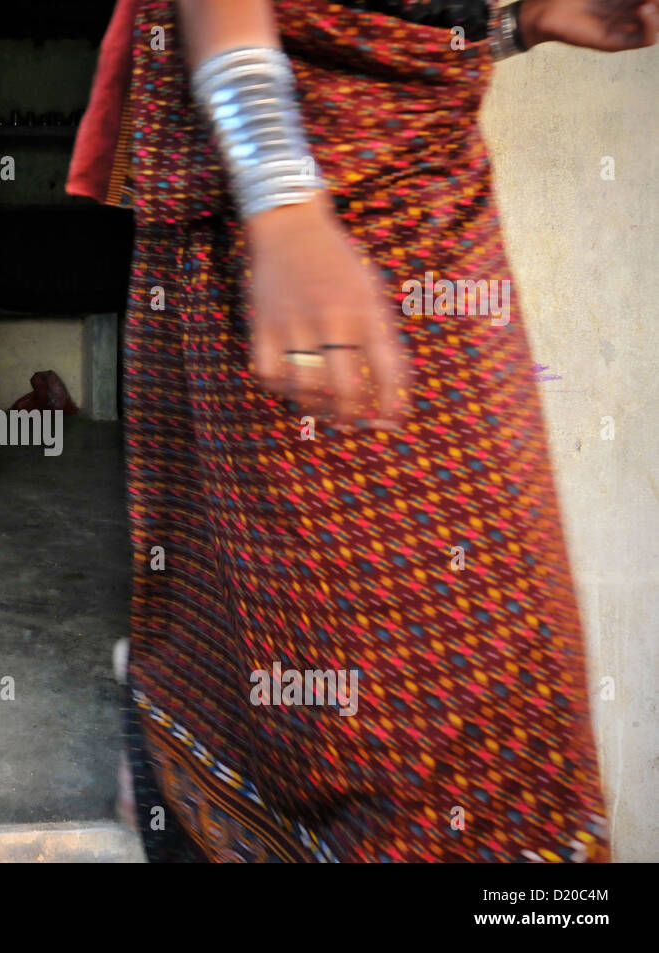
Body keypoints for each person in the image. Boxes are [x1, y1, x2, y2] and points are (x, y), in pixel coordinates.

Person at [69, 0, 656, 861]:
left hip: (428, 180)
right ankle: (197, 779)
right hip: (299, 211)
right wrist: (282, 203)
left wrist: (513, 18)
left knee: (503, 677)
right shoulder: (287, 219)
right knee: (409, 694)